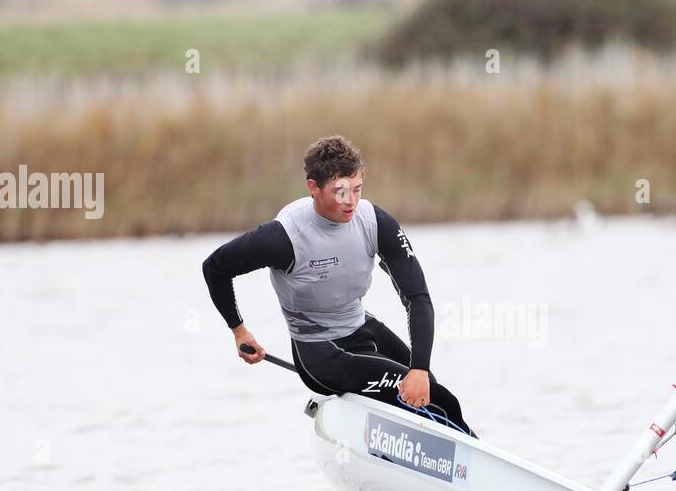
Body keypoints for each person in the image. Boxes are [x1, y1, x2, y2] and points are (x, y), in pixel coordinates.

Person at [202, 135, 477, 437]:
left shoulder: (375, 223)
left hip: (359, 327)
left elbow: (417, 297)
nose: (351, 202)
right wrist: (239, 330)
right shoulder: (284, 237)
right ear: (314, 188)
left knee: (428, 387)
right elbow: (215, 267)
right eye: (340, 191)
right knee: (431, 397)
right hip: (318, 352)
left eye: (357, 189)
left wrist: (420, 367)